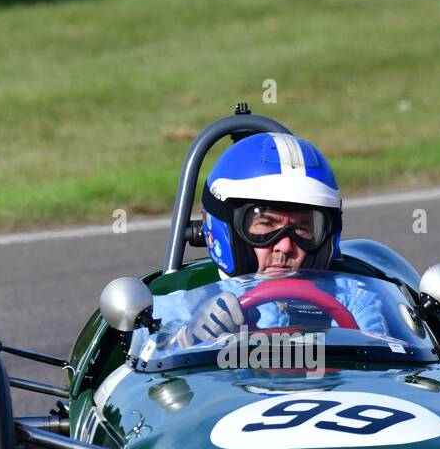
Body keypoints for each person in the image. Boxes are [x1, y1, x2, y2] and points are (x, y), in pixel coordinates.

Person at [161, 132, 385, 347]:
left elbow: (387, 373)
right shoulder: (181, 303)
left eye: (302, 228)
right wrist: (184, 339)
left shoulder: (355, 299)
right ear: (226, 229)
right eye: (266, 225)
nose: (285, 246)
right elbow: (147, 364)